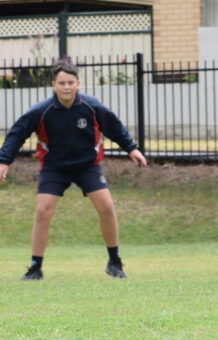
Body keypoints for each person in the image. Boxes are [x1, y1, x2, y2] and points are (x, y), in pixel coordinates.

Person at [0, 60, 148, 280]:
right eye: (62, 83)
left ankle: (114, 262)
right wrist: (4, 161)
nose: (66, 87)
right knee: (43, 211)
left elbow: (114, 126)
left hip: (87, 165)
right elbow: (17, 133)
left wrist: (132, 149)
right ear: (54, 85)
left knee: (106, 206)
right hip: (54, 166)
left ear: (78, 83)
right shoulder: (42, 111)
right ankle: (35, 268)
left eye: (70, 82)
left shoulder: (91, 106)